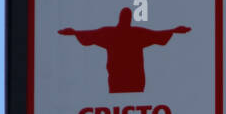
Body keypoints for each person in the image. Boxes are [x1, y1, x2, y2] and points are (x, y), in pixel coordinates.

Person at [59, 7, 191, 93]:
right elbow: (92, 34)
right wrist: (74, 32)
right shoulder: (126, 34)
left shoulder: (128, 34)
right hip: (121, 78)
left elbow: (156, 34)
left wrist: (174, 30)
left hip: (132, 79)